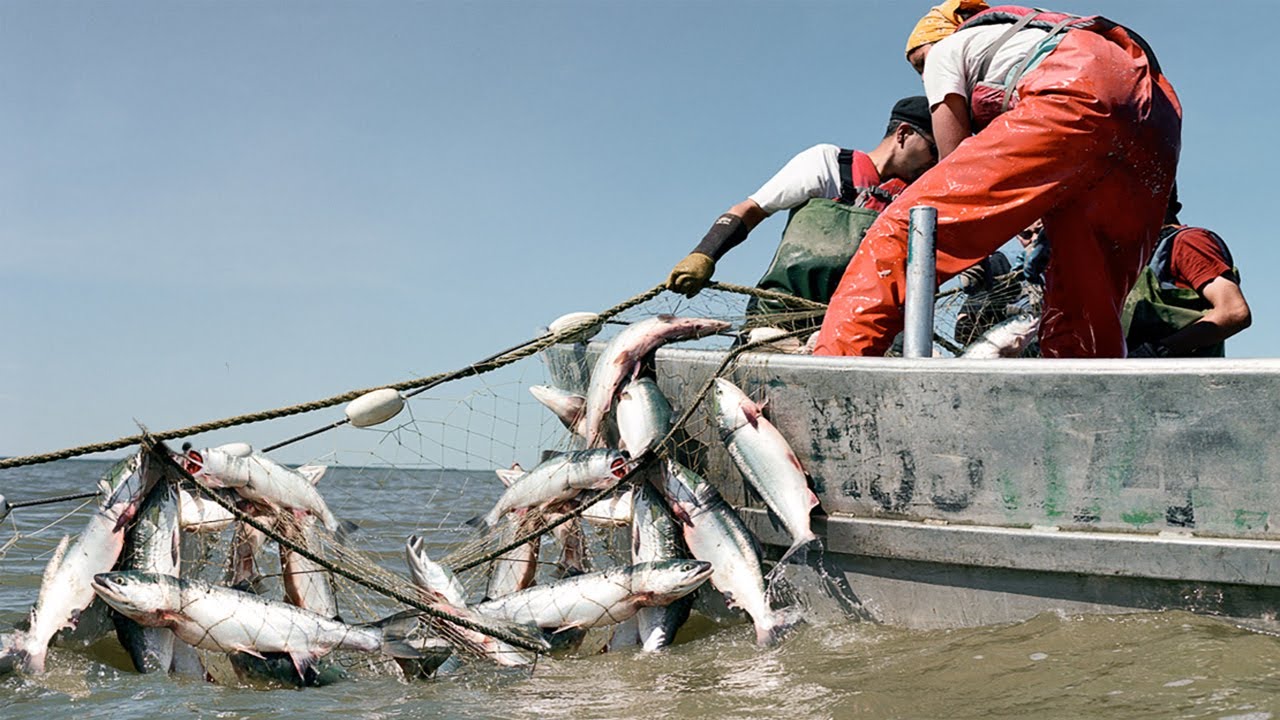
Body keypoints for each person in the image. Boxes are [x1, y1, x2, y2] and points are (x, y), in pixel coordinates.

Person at [813, 2, 1181, 358]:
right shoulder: (1036, 35)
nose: (924, 77)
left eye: (920, 62)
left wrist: (972, 241)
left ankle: (837, 366)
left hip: (1074, 87)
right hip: (1154, 116)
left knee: (906, 231)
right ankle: (1081, 391)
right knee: (1086, 285)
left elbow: (952, 169)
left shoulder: (948, 50)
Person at [664, 96, 939, 323]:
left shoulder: (915, 201)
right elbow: (752, 209)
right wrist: (704, 254)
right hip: (782, 318)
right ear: (904, 133)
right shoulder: (828, 163)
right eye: (934, 149)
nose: (936, 162)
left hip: (857, 327)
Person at [1123, 188, 1251, 357]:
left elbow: (1234, 312)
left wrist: (1158, 351)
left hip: (1179, 373)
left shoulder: (1189, 242)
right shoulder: (1138, 257)